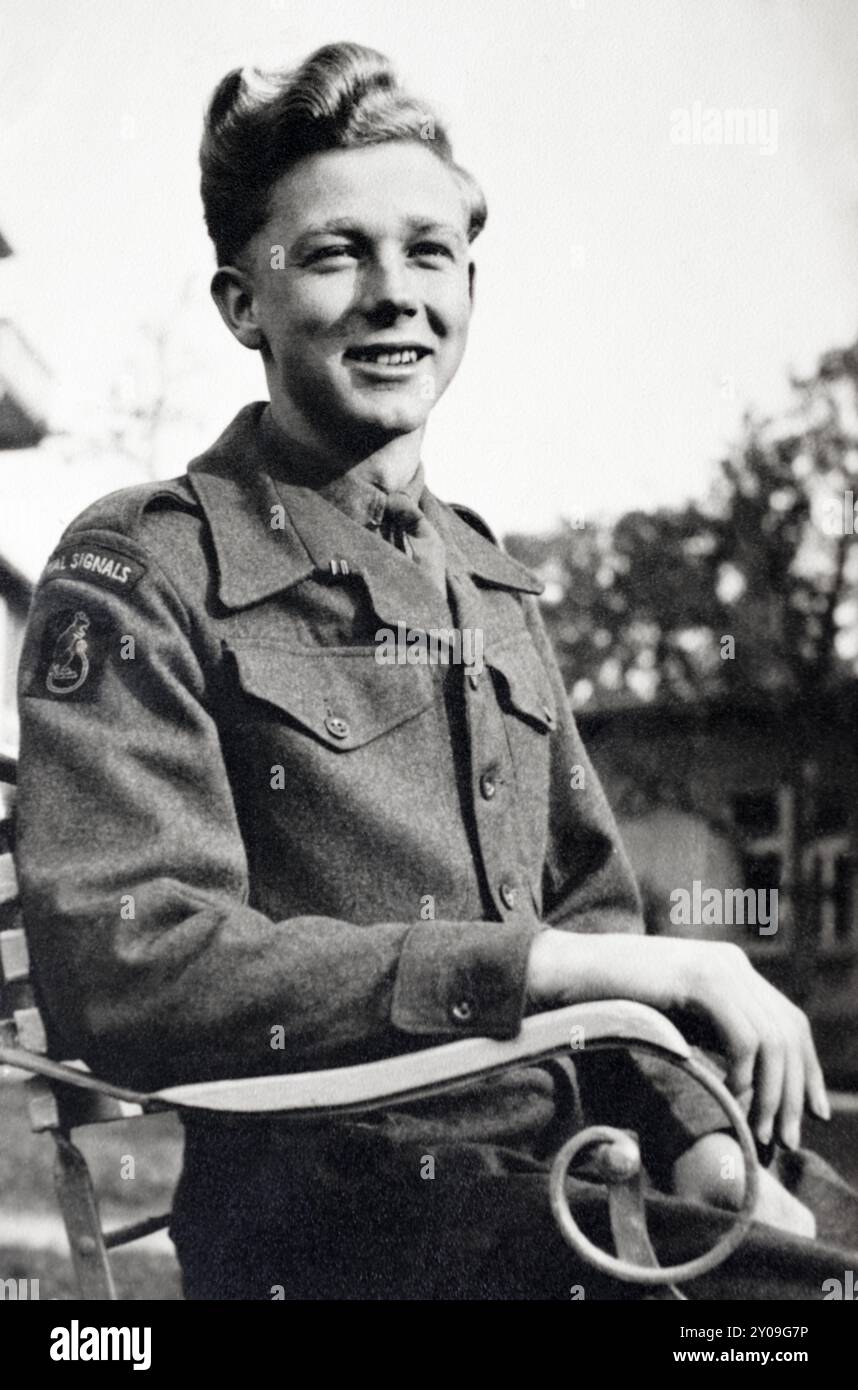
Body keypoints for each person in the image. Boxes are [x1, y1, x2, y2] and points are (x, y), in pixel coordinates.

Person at [14, 41, 858, 1300]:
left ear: (469, 284)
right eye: (337, 252)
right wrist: (588, 975)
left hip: (570, 1180)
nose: (393, 293)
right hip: (331, 1220)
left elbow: (588, 906)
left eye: (427, 251)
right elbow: (139, 966)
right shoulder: (141, 568)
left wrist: (704, 1148)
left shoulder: (487, 581)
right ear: (244, 303)